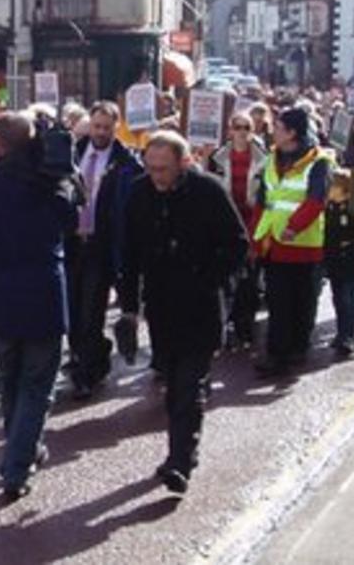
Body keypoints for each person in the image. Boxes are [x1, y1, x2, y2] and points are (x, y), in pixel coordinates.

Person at [118, 131, 247, 493]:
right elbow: (129, 256)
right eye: (151, 168)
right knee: (173, 385)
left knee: (188, 386)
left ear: (184, 163)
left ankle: (180, 460)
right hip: (161, 306)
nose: (156, 176)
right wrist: (129, 309)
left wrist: (210, 279)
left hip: (201, 304)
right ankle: (181, 451)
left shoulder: (208, 191)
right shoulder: (139, 193)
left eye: (163, 169)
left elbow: (237, 244)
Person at [0, 112, 76, 501]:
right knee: (37, 385)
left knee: (11, 380)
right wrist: (64, 173)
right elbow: (71, 220)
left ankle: (21, 448)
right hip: (41, 292)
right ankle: (17, 464)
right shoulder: (50, 183)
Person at [66, 100, 142, 399]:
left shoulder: (126, 163)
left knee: (91, 311)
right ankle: (94, 354)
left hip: (101, 246)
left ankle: (84, 373)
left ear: (116, 128)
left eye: (106, 128)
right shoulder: (72, 153)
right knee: (72, 312)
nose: (100, 132)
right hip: (72, 244)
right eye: (96, 126)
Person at [252, 107, 332, 377]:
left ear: (292, 133)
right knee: (278, 301)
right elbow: (264, 199)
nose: (272, 131)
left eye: (278, 127)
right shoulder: (271, 158)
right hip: (273, 242)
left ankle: (298, 346)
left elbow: (316, 200)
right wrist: (254, 237)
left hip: (303, 244)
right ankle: (277, 354)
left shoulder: (318, 162)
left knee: (303, 300)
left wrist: (294, 227)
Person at [208, 110, 267, 350]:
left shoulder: (264, 160)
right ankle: (226, 326)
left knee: (249, 280)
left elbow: (265, 196)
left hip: (252, 221)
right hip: (226, 222)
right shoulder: (217, 158)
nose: (242, 132)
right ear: (230, 130)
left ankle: (245, 327)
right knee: (226, 278)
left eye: (247, 128)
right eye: (238, 127)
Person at [323, 169, 354, 357]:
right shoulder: (329, 207)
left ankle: (348, 336)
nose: (328, 189)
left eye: (332, 185)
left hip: (351, 257)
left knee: (347, 296)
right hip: (334, 258)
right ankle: (341, 332)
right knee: (338, 298)